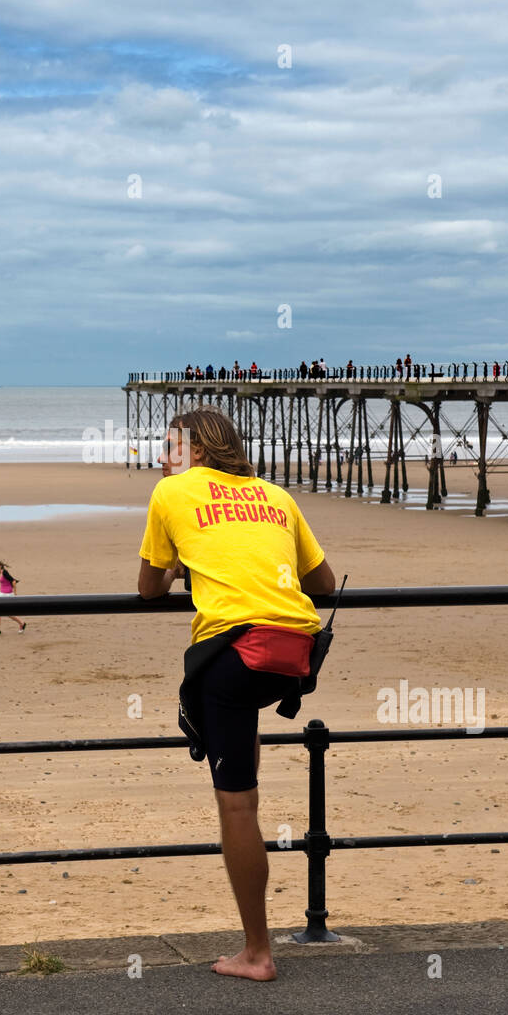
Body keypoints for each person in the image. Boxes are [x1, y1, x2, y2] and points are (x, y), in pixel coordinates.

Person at [138, 407, 335, 982]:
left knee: (238, 806)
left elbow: (148, 589)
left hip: (232, 656)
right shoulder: (277, 495)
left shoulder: (172, 493)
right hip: (292, 652)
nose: (163, 455)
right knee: (242, 749)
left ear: (196, 451)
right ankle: (258, 944)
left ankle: (257, 953)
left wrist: (183, 566)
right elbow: (322, 583)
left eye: (171, 445)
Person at [0, 559, 26, 635]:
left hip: (8, 594)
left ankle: (22, 623)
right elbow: (3, 583)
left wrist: (15, 593)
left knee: (8, 613)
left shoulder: (5, 572)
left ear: (0, 566)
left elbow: (13, 581)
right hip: (1, 593)